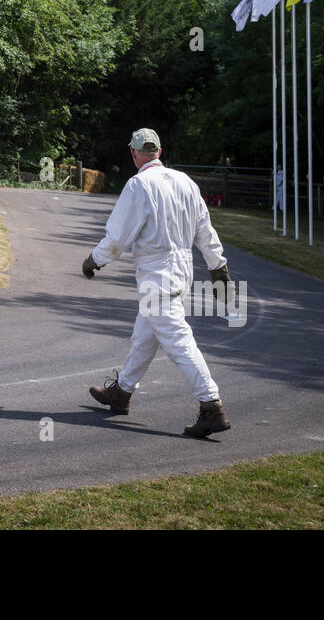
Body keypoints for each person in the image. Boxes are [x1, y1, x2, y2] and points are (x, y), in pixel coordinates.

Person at [81, 128, 234, 438]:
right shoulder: (186, 183)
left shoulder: (138, 185)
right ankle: (122, 392)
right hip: (182, 270)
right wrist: (218, 265)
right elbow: (205, 229)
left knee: (178, 340)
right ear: (159, 152)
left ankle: (211, 406)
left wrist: (95, 259)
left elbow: (118, 236)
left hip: (156, 273)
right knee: (146, 335)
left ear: (134, 154)